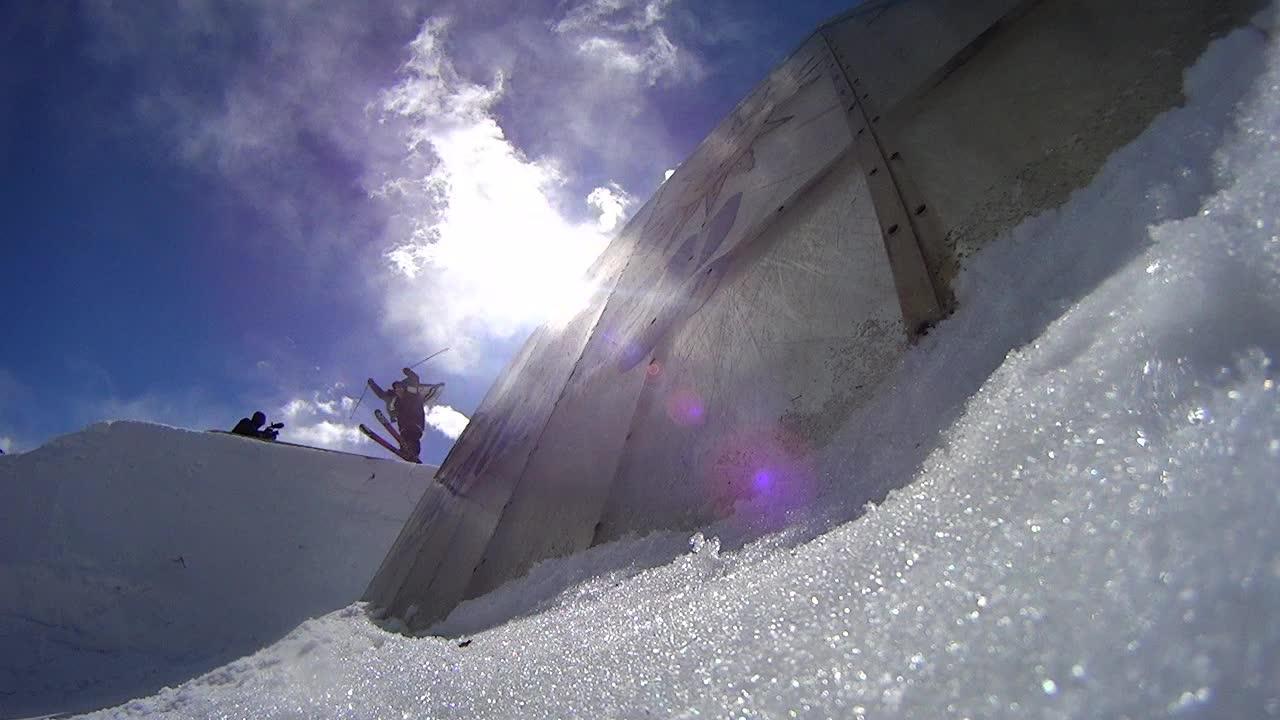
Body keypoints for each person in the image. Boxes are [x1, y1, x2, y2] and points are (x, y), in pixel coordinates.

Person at [367, 368, 443, 463]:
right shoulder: (395, 400)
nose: (398, 390)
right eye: (396, 389)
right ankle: (405, 451)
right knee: (405, 439)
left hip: (416, 425)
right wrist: (372, 384)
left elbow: (415, 378)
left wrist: (407, 372)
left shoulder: (412, 394)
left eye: (400, 388)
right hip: (404, 428)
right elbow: (381, 394)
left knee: (413, 439)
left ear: (404, 388)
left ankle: (414, 453)